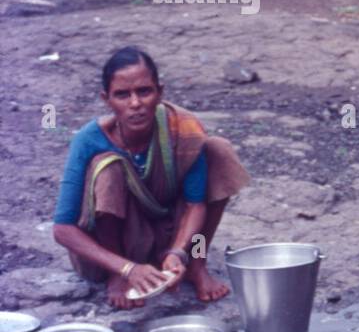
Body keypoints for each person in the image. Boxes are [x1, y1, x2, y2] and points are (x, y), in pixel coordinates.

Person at [52, 47, 251, 309]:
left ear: (160, 93)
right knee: (107, 167)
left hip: (171, 233)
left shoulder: (182, 128)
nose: (135, 104)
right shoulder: (90, 139)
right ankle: (116, 274)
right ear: (107, 99)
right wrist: (126, 268)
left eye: (144, 91)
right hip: (119, 244)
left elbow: (195, 205)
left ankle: (198, 263)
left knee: (218, 151)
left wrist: (178, 251)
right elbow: (62, 230)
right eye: (122, 95)